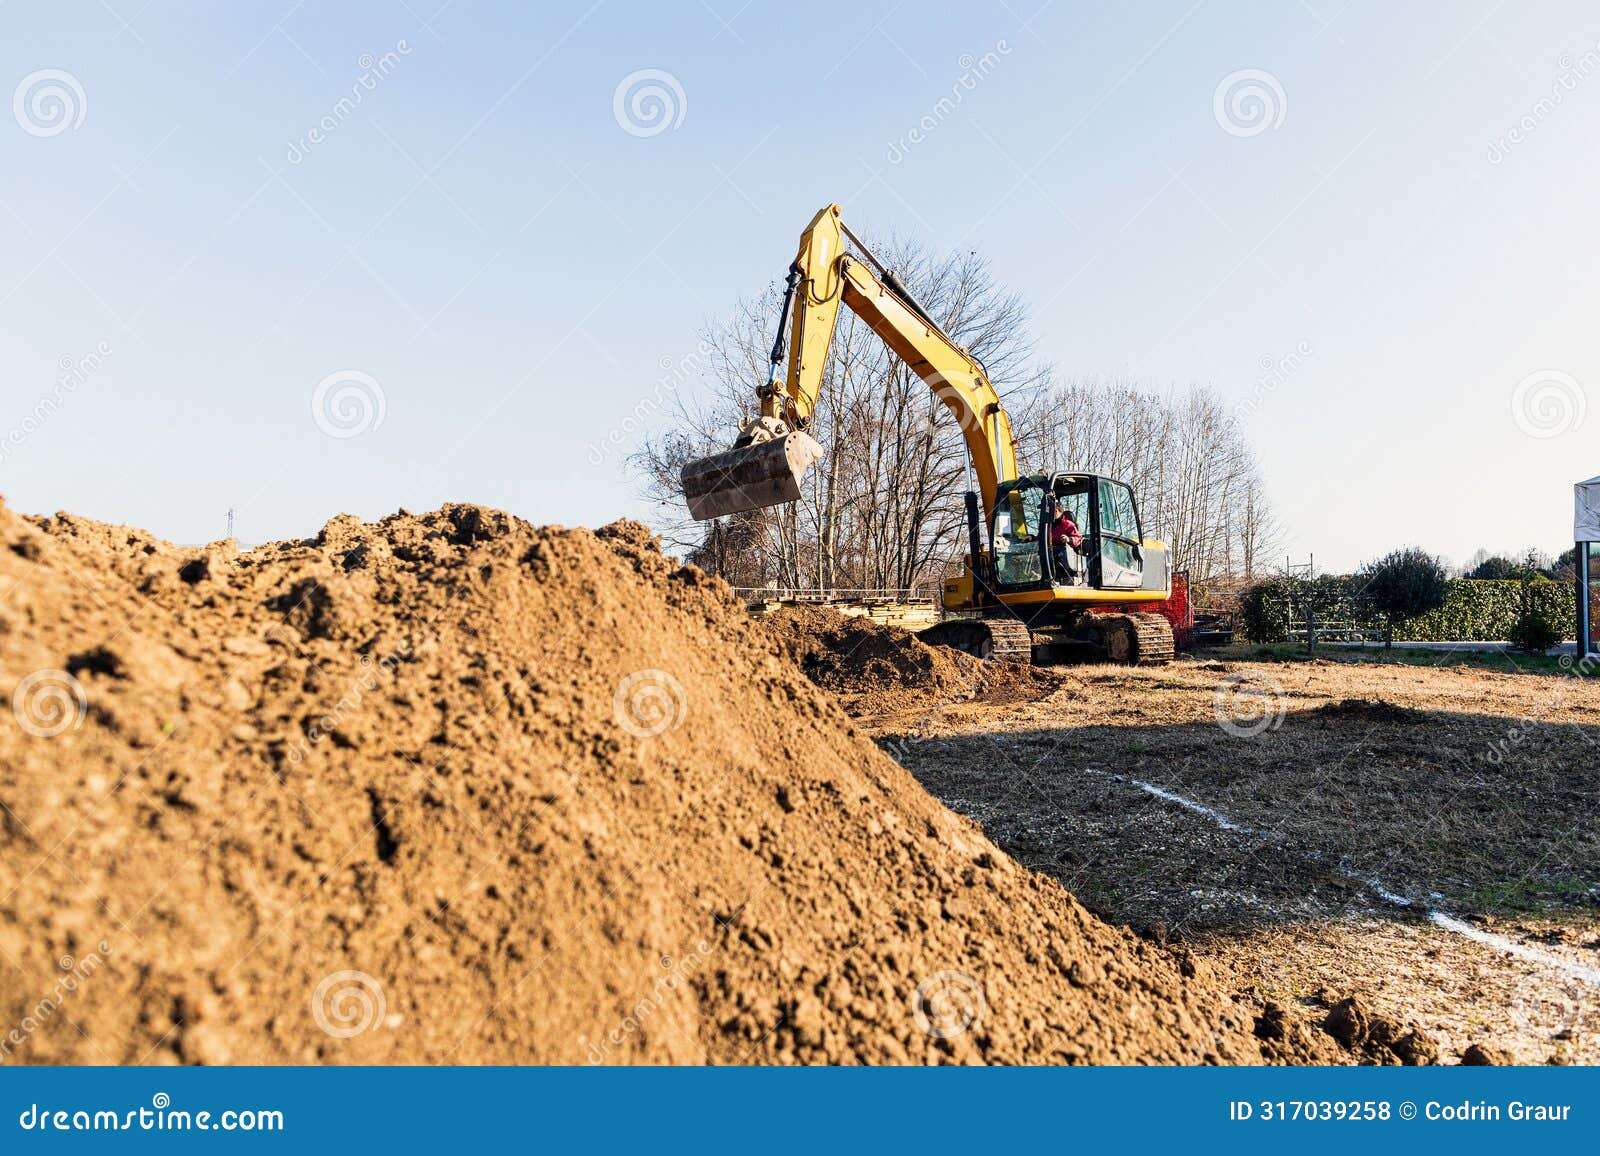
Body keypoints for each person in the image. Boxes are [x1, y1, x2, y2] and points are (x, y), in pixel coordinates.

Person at [1050, 506, 1083, 580]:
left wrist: (1069, 539)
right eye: (1050, 511)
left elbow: (1078, 539)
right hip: (1050, 556)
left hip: (1065, 557)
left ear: (1061, 512)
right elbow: (1042, 538)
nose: (1052, 513)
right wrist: (1032, 538)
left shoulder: (1068, 524)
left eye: (1055, 511)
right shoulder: (1047, 526)